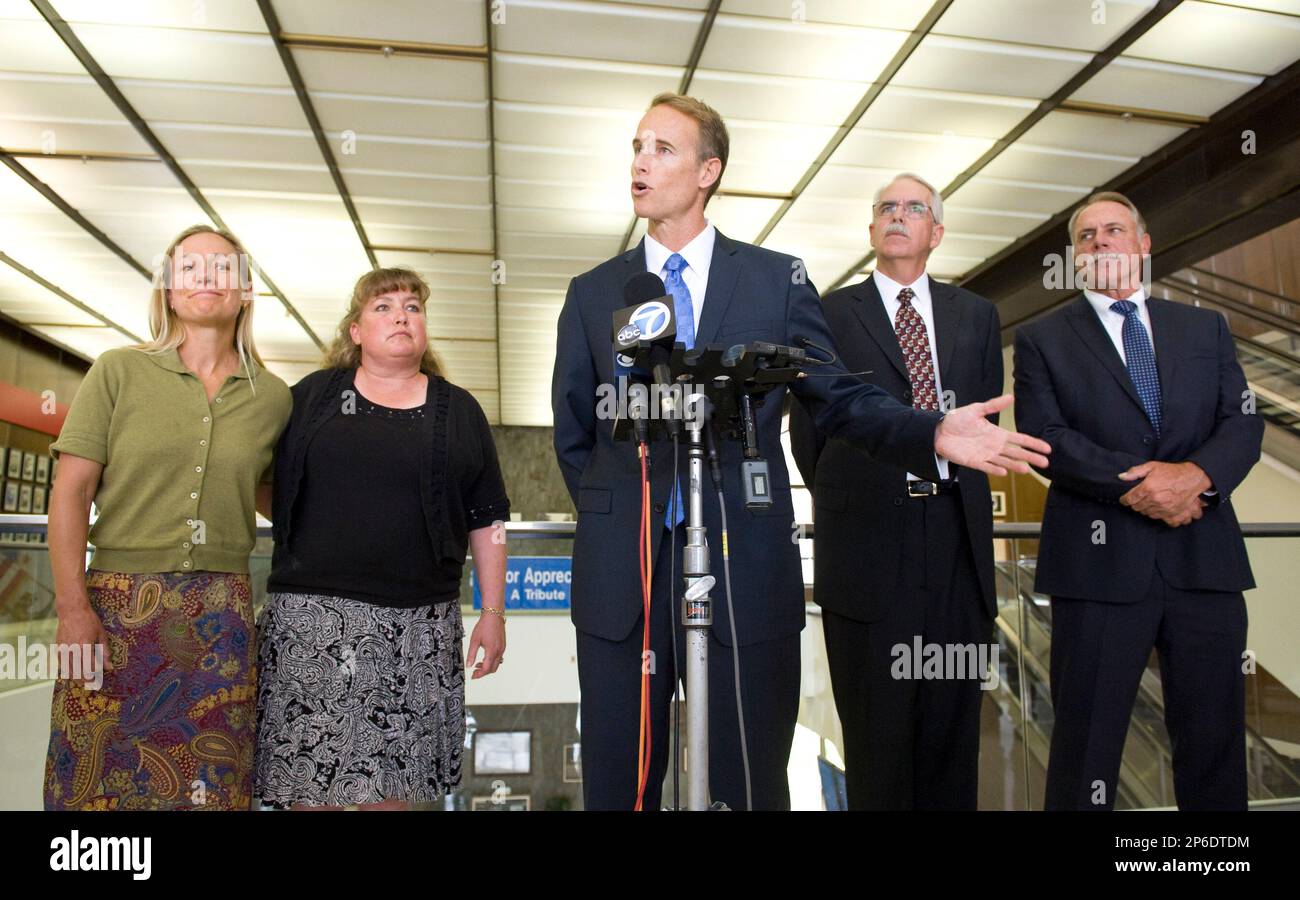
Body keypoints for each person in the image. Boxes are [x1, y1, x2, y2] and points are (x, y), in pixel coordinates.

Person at [551, 92, 1050, 810]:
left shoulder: (774, 279)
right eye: (636, 146)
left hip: (746, 566)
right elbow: (575, 432)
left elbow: (838, 393)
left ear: (708, 171)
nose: (640, 161)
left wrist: (930, 429)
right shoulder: (595, 292)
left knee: (748, 784)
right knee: (618, 787)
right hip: (623, 576)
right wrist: (622, 509)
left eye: (663, 148)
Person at [1013, 191, 1263, 810]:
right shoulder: (1042, 338)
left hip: (1204, 562)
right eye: (1087, 236)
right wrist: (1149, 487)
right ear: (1075, 259)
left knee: (1215, 742)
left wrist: (1195, 477)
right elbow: (1047, 438)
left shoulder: (1205, 327)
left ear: (1144, 246)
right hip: (1097, 570)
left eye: (1114, 230)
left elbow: (1243, 422)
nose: (1100, 242)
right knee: (1085, 746)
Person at [44, 224, 291, 810]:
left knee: (210, 786)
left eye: (222, 268)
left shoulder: (275, 396)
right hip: (112, 611)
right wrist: (72, 607)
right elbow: (71, 493)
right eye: (190, 268)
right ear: (169, 291)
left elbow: (274, 497)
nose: (206, 278)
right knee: (93, 783)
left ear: (247, 290)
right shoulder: (117, 371)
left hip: (220, 621)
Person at [254, 267, 509, 810]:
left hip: (415, 629)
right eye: (384, 307)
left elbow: (487, 518)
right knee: (309, 786)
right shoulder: (310, 399)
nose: (401, 316)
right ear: (355, 331)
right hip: (309, 623)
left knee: (393, 792)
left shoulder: (459, 410)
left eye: (413, 308)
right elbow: (259, 481)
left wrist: (493, 613)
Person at [789, 172, 1003, 809]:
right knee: (878, 747)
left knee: (952, 746)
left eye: (914, 208)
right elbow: (811, 433)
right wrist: (856, 494)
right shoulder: (827, 313)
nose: (897, 216)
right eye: (885, 207)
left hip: (957, 552)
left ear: (936, 231)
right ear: (871, 228)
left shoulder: (977, 315)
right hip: (867, 548)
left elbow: (983, 422)